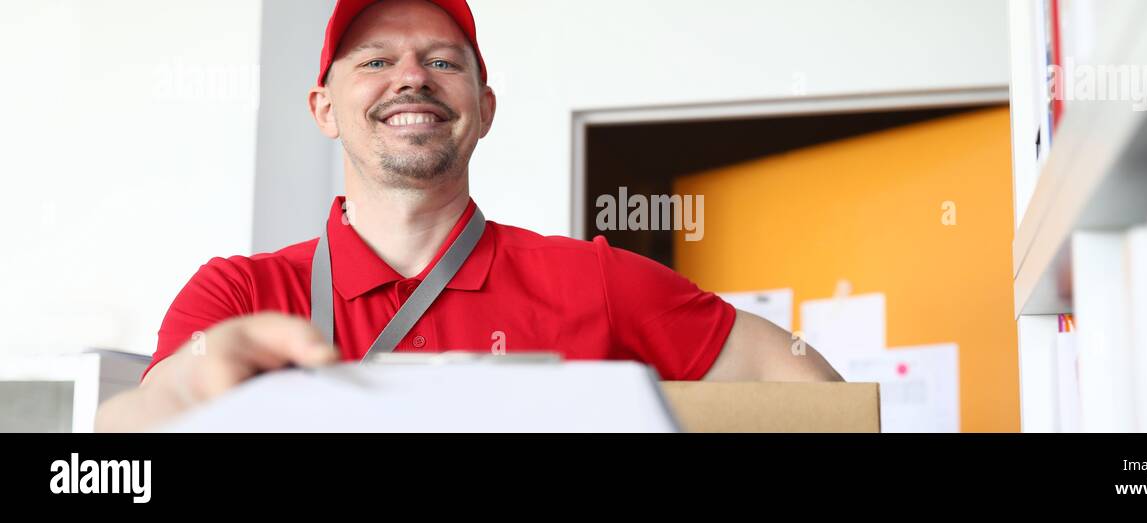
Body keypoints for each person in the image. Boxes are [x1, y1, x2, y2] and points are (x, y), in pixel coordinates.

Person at [96, 0, 841, 432]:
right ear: (324, 109)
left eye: (444, 62)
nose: (412, 76)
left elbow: (819, 399)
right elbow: (127, 431)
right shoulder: (239, 296)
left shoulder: (596, 280)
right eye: (375, 61)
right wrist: (188, 397)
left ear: (484, 109)